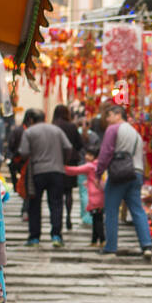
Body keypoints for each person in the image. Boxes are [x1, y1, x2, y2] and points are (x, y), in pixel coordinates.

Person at [95, 101, 152, 260]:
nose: (107, 119)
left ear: (118, 114)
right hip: (137, 173)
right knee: (137, 209)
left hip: (120, 174)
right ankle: (146, 245)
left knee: (112, 209)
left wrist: (99, 173)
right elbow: (142, 157)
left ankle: (111, 247)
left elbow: (106, 152)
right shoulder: (136, 134)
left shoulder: (113, 129)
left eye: (110, 115)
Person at [16, 108, 72, 246]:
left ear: (31, 120)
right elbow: (68, 147)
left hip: (37, 172)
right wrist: (62, 162)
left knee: (35, 205)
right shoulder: (56, 130)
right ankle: (56, 236)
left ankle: (34, 237)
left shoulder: (29, 132)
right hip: (57, 171)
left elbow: (23, 152)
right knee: (56, 204)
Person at [52, 104, 83, 233]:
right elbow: (80, 144)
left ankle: (58, 220)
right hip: (71, 162)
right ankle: (69, 217)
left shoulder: (53, 126)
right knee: (68, 191)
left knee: (57, 193)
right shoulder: (72, 126)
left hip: (56, 161)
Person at [65, 150, 105, 247]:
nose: (86, 156)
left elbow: (75, 170)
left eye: (89, 155)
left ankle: (103, 240)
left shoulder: (90, 166)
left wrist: (62, 167)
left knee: (97, 220)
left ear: (94, 156)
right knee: (97, 218)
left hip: (94, 196)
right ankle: (94, 241)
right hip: (101, 195)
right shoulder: (100, 165)